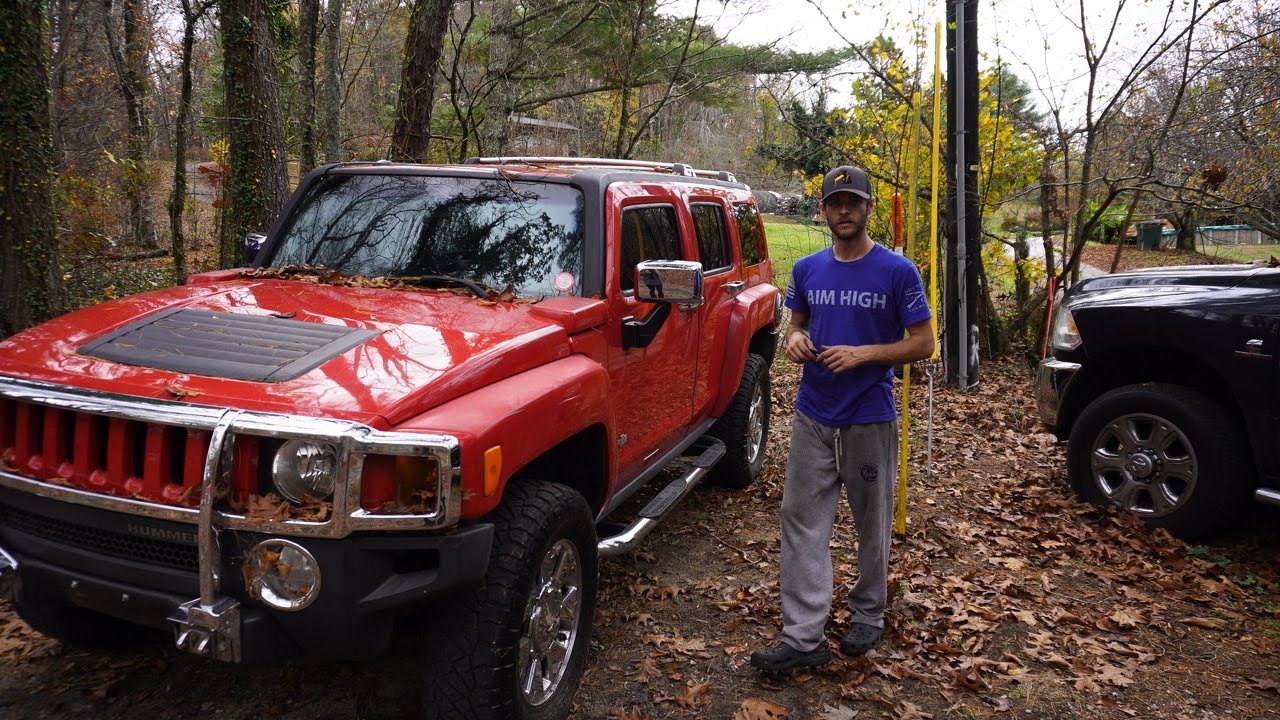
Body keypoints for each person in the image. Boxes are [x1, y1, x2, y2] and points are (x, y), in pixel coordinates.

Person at [750, 165, 934, 673]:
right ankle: (804, 636)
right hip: (814, 414)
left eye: (853, 202)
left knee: (870, 521)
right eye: (836, 203)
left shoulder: (898, 271)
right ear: (824, 211)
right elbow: (795, 325)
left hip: (869, 416)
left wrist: (864, 354)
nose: (844, 211)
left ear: (869, 208)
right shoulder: (808, 269)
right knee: (801, 521)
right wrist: (793, 341)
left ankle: (868, 612)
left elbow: (924, 342)